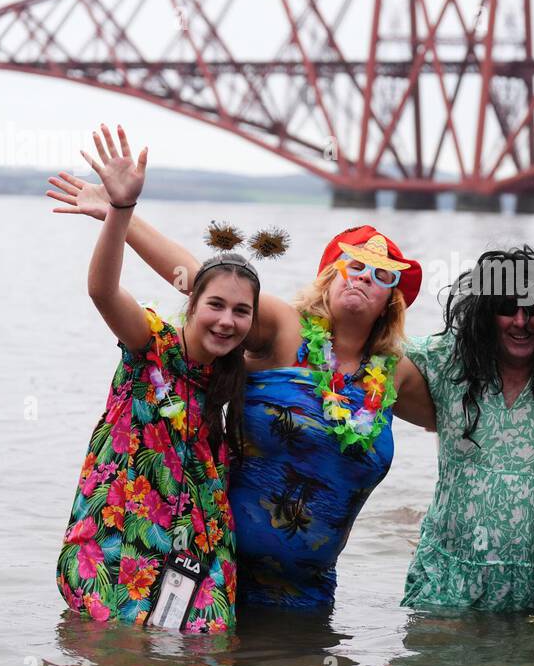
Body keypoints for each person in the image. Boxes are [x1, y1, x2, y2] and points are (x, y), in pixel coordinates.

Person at [46, 140, 429, 609]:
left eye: (382, 275)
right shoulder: (283, 325)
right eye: (353, 265)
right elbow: (203, 280)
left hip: (308, 591)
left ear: (393, 300)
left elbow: (454, 418)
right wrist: (120, 213)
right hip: (218, 567)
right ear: (329, 276)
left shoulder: (397, 375)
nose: (364, 277)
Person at [56, 125, 254, 633]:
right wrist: (120, 212)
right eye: (215, 305)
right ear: (192, 304)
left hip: (200, 554)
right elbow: (102, 290)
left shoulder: (237, 373)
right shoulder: (150, 344)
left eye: (241, 311)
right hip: (116, 540)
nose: (227, 321)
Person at [400, 248, 534, 611]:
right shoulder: (450, 362)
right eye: (507, 308)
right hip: (446, 582)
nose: (520, 321)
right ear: (485, 313)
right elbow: (377, 353)